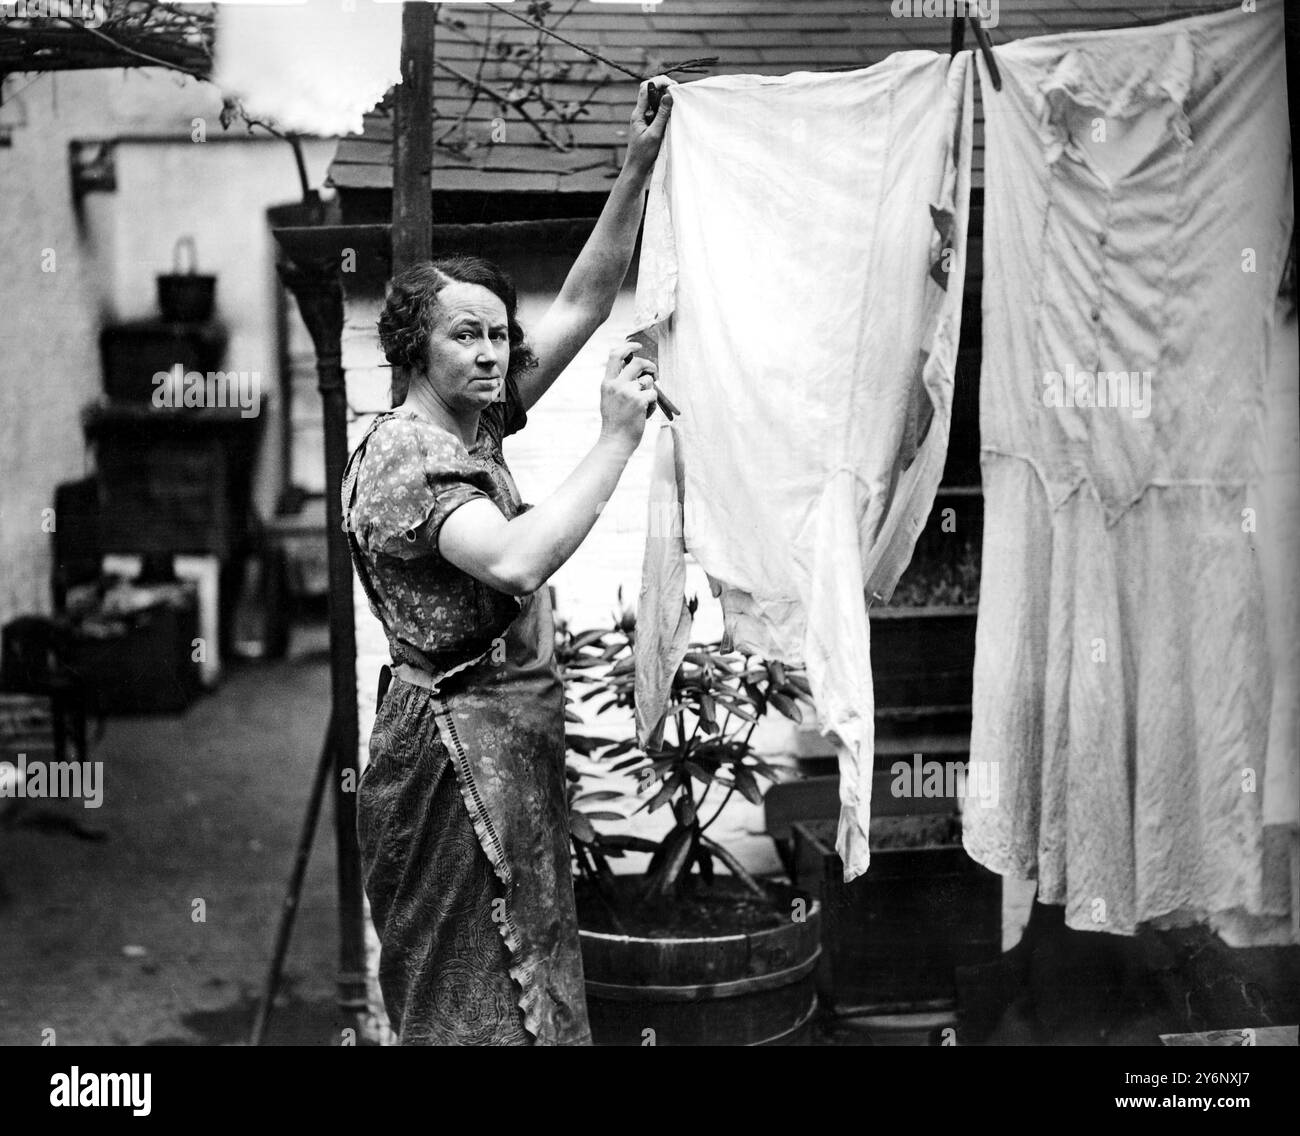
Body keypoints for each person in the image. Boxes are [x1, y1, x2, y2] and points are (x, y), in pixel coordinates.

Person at [342, 78, 674, 1045]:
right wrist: (615, 437)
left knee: (525, 976)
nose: (493, 352)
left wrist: (636, 169)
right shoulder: (406, 454)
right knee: (468, 999)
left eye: (499, 335)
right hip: (448, 763)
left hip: (506, 748)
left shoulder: (475, 421)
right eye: (466, 334)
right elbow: (520, 561)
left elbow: (582, 298)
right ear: (413, 349)